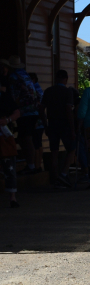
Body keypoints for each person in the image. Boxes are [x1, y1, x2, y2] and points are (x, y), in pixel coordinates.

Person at [40, 70, 77, 189]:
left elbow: (41, 109)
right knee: (71, 148)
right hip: (65, 125)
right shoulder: (67, 92)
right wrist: (72, 129)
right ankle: (64, 173)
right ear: (66, 79)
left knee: (54, 152)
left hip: (52, 124)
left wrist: (45, 125)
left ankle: (55, 179)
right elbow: (68, 111)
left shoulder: (48, 91)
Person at [5, 56, 39, 172]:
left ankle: (30, 165)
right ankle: (31, 164)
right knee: (25, 137)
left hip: (24, 111)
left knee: (25, 138)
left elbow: (13, 96)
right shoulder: (25, 75)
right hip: (33, 110)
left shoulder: (13, 77)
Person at [0, 60, 20, 207]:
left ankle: (12, 197)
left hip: (5, 133)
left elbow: (17, 111)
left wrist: (6, 120)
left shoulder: (5, 97)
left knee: (9, 165)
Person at [29, 73, 45, 173]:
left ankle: (36, 166)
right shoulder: (39, 90)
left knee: (36, 143)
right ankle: (38, 165)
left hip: (37, 120)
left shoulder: (35, 91)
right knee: (38, 143)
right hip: (41, 120)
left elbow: (39, 106)